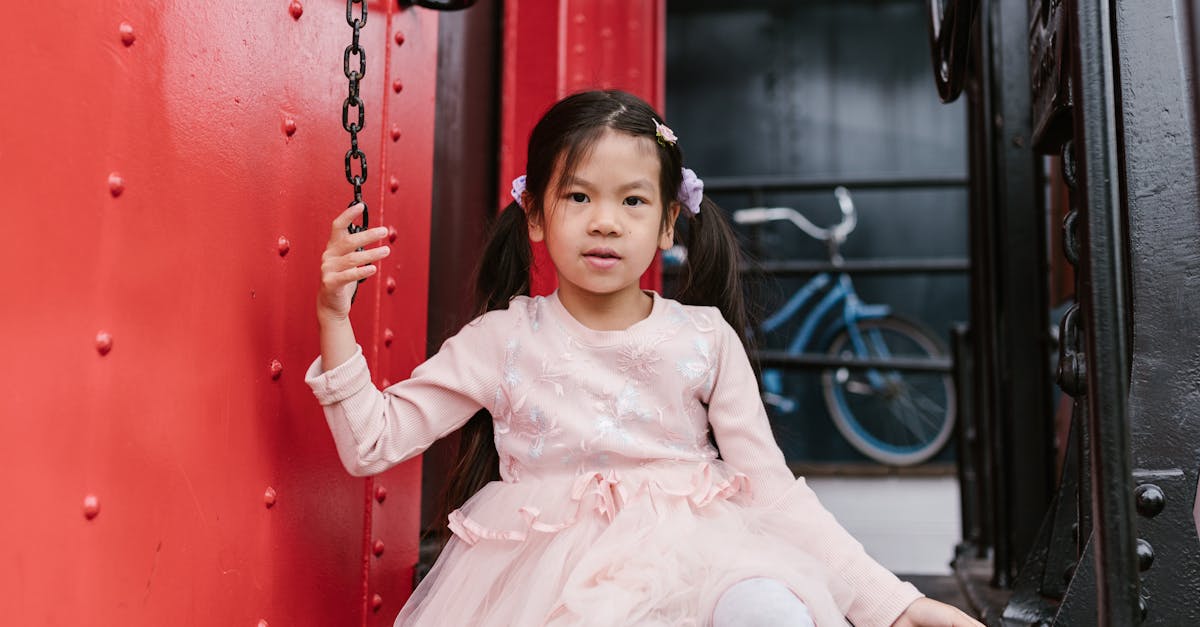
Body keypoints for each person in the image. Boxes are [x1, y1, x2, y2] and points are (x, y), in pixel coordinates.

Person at [306, 89, 983, 627]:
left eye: (632, 200)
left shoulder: (704, 338)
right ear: (536, 215)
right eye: (579, 196)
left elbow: (771, 491)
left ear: (666, 224)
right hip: (551, 583)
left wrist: (893, 604)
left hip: (704, 556)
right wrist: (335, 317)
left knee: (773, 610)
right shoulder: (502, 339)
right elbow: (373, 441)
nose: (605, 220)